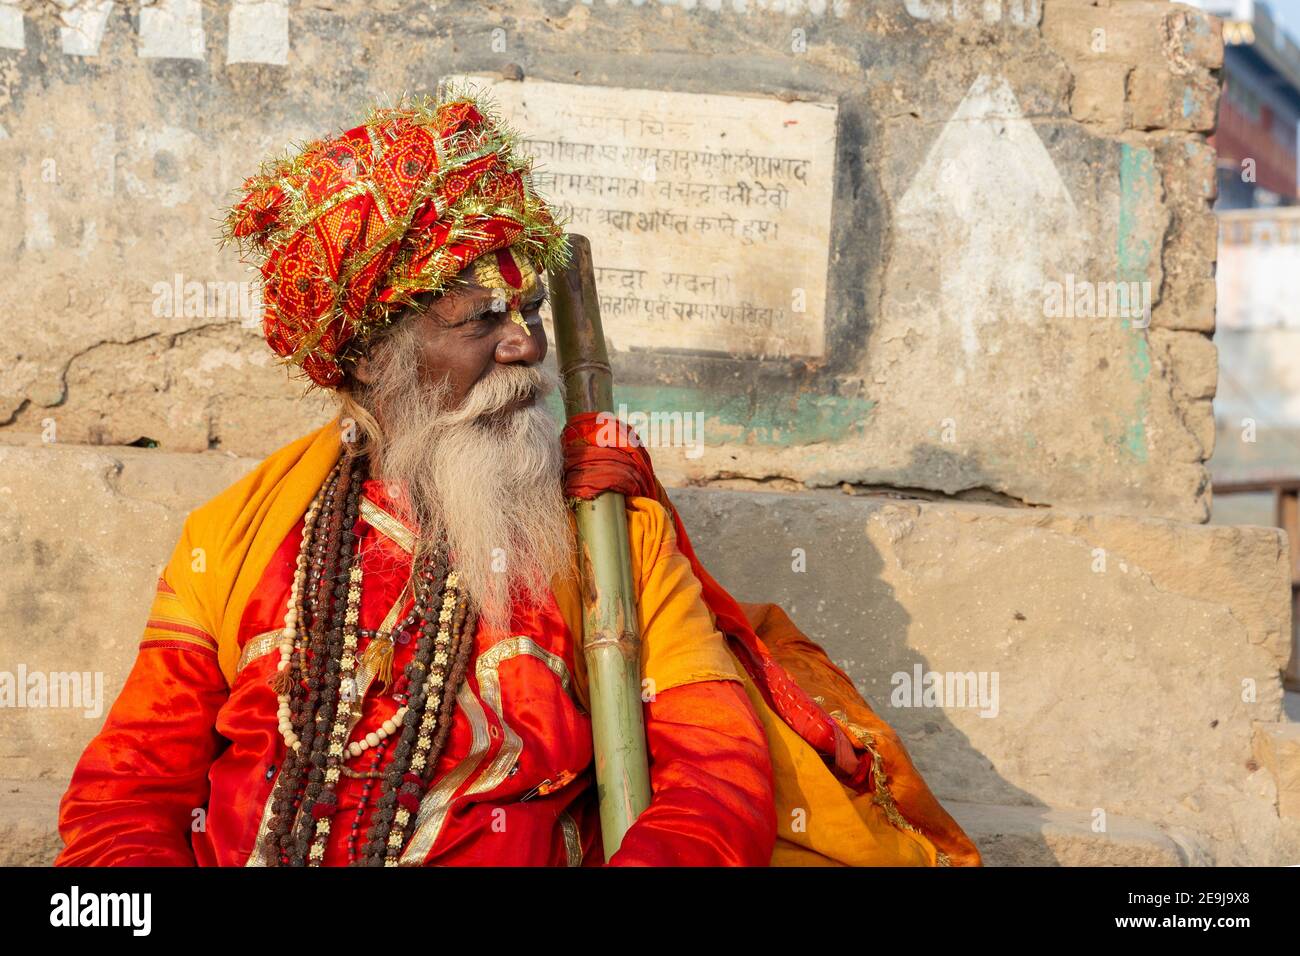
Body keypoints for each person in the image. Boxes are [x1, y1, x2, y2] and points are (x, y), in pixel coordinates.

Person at [55, 84, 980, 867]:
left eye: (529, 309)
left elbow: (715, 767)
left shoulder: (611, 535)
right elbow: (125, 789)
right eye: (477, 322)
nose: (526, 345)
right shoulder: (235, 535)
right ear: (365, 358)